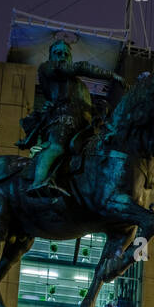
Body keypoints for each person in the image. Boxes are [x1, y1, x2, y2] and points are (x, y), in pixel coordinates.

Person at [17, 38, 124, 197]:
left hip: (83, 125)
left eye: (66, 53)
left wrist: (99, 111)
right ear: (51, 56)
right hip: (61, 121)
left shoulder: (79, 85)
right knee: (58, 147)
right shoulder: (48, 69)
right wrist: (111, 75)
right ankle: (38, 182)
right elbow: (82, 67)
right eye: (58, 52)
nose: (62, 56)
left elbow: (86, 105)